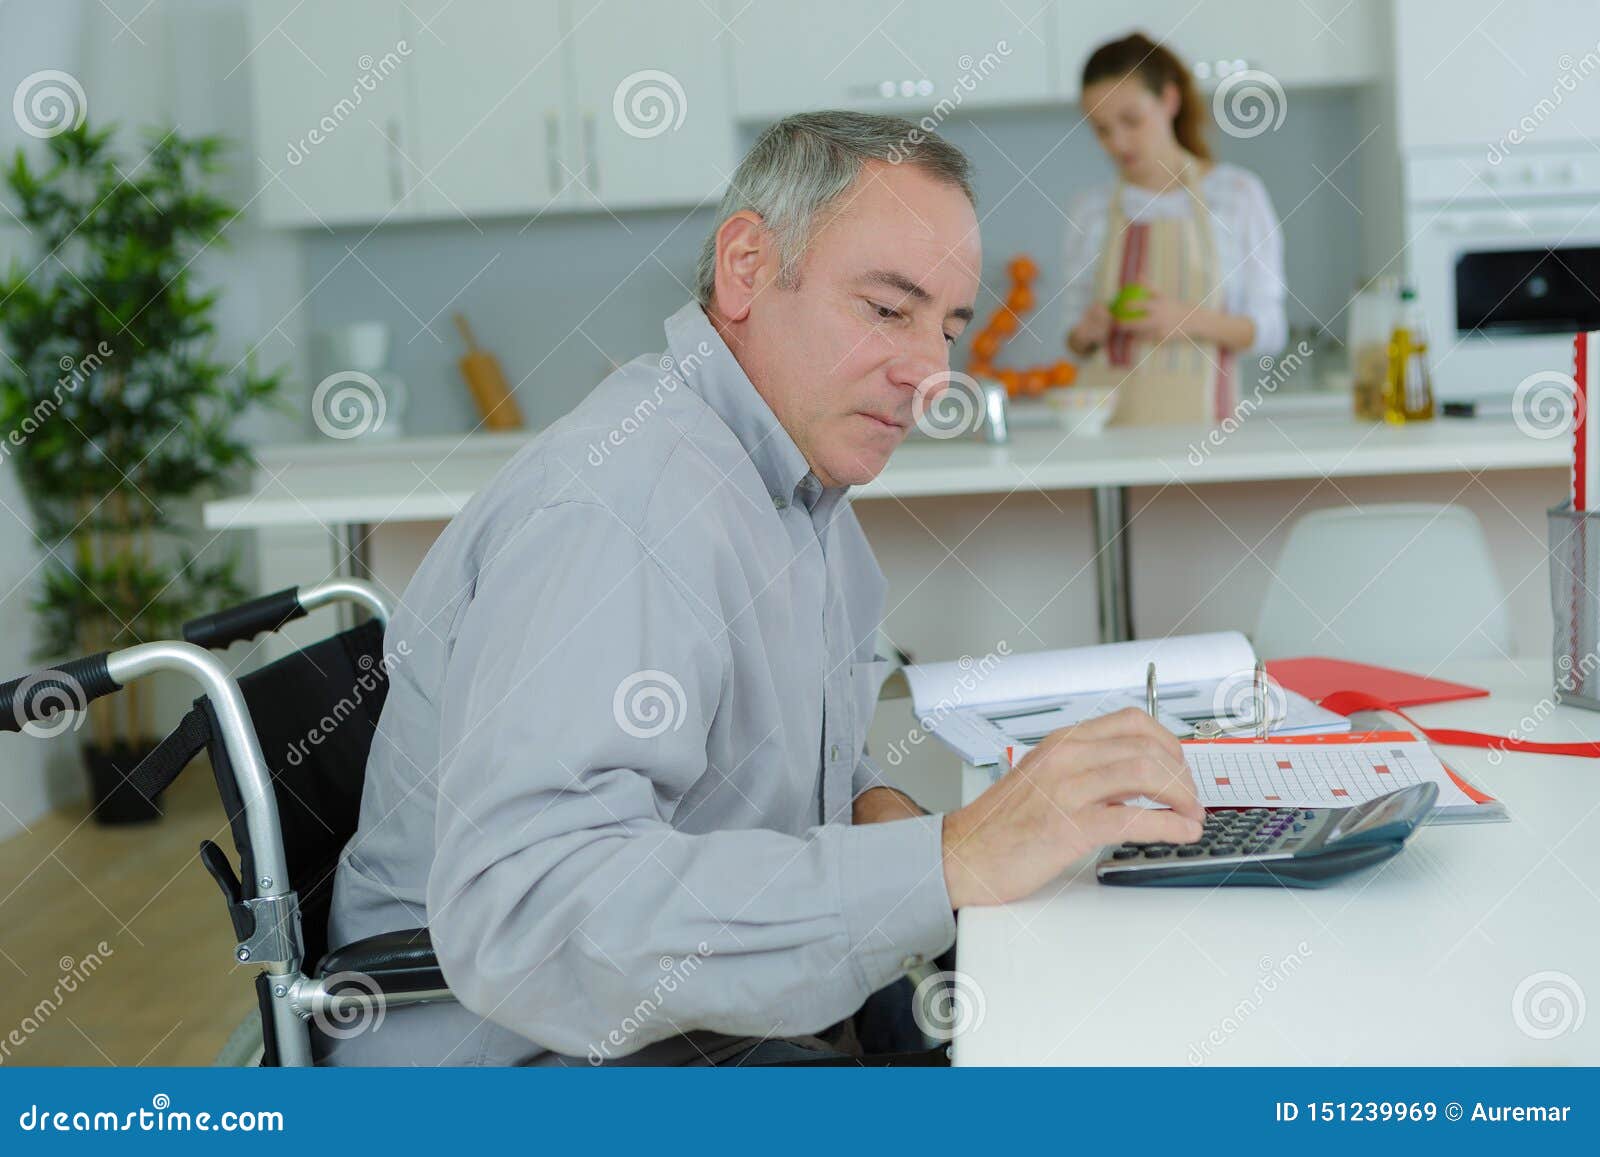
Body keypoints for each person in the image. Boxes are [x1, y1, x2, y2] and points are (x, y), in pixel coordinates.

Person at [323, 110, 1202, 1067]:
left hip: (693, 1018)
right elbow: (532, 909)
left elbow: (785, 765)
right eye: (885, 309)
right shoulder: (624, 508)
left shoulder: (791, 486)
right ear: (746, 267)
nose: (931, 376)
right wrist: (949, 857)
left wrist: (903, 817)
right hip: (523, 1055)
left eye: (948, 326)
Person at [1063, 32, 1287, 426]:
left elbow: (1270, 331)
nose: (1117, 142)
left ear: (1169, 100)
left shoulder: (1236, 195)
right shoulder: (1091, 209)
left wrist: (1188, 320)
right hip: (1115, 442)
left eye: (1131, 121)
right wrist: (1086, 332)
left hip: (1211, 434)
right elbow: (1073, 338)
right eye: (1101, 129)